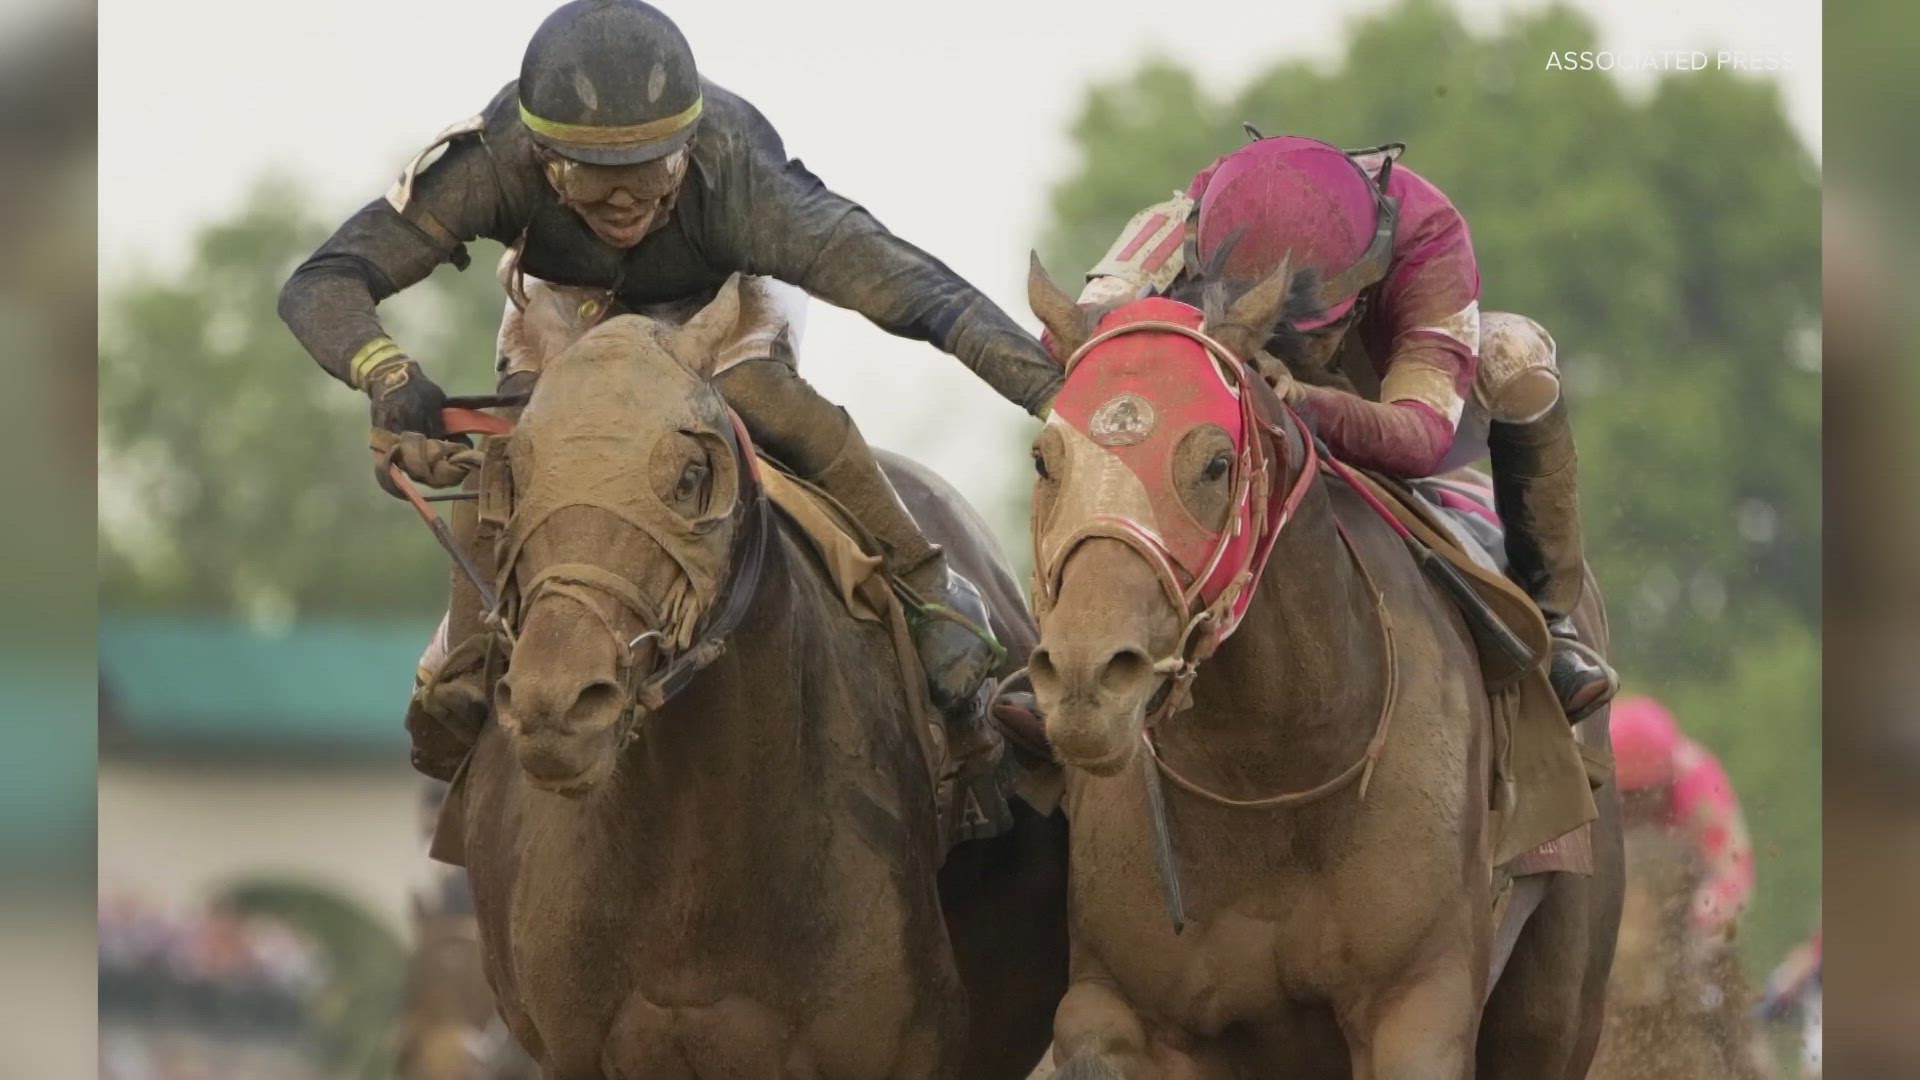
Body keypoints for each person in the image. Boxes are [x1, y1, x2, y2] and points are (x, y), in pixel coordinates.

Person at [278, 0, 1064, 725]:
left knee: (756, 393)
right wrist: (388, 374)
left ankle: (927, 590)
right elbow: (323, 282)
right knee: (525, 447)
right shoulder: (488, 162)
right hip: (568, 298)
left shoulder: (749, 185)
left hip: (721, 296)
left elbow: (922, 294)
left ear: (689, 149)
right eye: (592, 174)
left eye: (651, 170)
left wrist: (1056, 396)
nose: (624, 201)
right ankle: (468, 646)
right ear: (541, 161)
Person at [1076, 135, 1616, 718]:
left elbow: (1421, 435)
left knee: (1517, 354)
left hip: (1383, 396)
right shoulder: (1192, 215)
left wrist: (1309, 401)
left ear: (1365, 285)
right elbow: (1072, 337)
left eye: (1308, 329)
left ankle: (1552, 617)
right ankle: (1071, 636)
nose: (1286, 345)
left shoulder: (1429, 236)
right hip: (1217, 405)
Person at [1610, 695, 1755, 953]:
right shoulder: (1590, 782)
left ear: (1667, 780)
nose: (1635, 807)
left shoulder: (1702, 789)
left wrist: (1699, 919)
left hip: (1687, 908)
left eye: (1644, 792)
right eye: (1626, 795)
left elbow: (1735, 874)